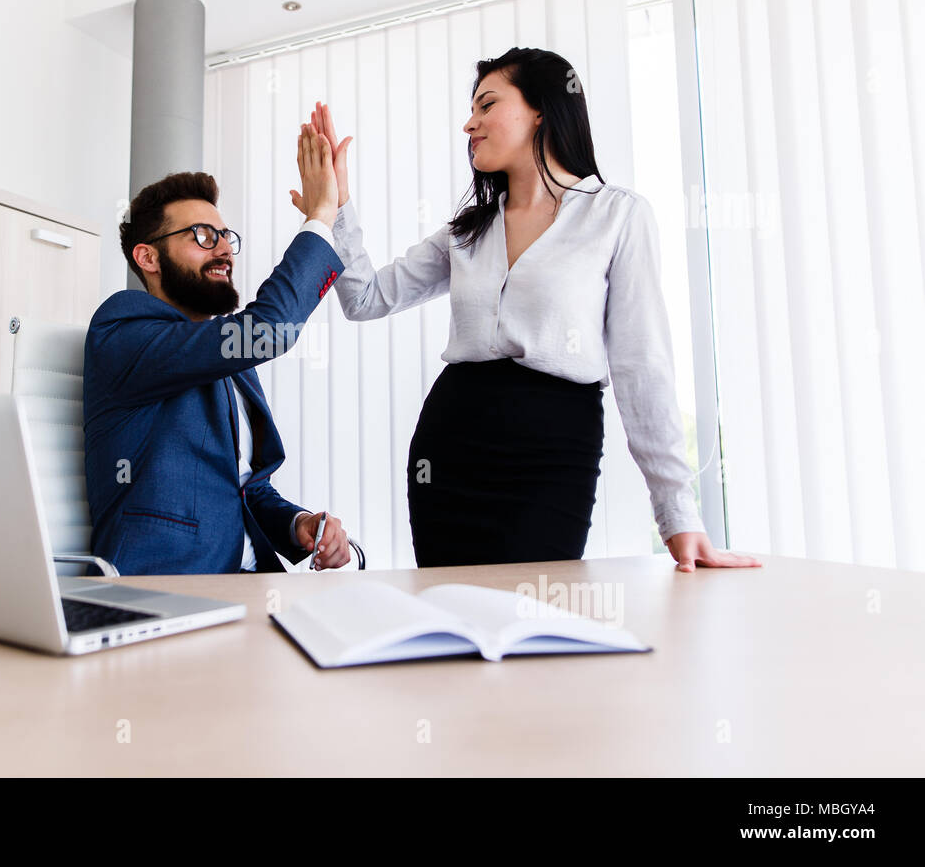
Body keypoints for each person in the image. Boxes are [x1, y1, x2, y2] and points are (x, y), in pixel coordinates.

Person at [294, 46, 760, 573]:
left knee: (535, 616)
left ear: (540, 107)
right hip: (451, 443)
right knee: (452, 618)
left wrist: (678, 516)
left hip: (554, 448)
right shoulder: (467, 231)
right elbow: (365, 299)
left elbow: (641, 365)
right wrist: (336, 209)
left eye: (486, 105)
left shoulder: (617, 216)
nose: (469, 123)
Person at [83, 133, 357, 575]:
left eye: (225, 235)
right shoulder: (122, 327)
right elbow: (268, 329)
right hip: (168, 587)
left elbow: (246, 489)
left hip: (250, 588)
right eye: (203, 235)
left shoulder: (227, 361)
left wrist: (298, 524)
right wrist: (322, 214)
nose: (225, 248)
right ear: (148, 257)